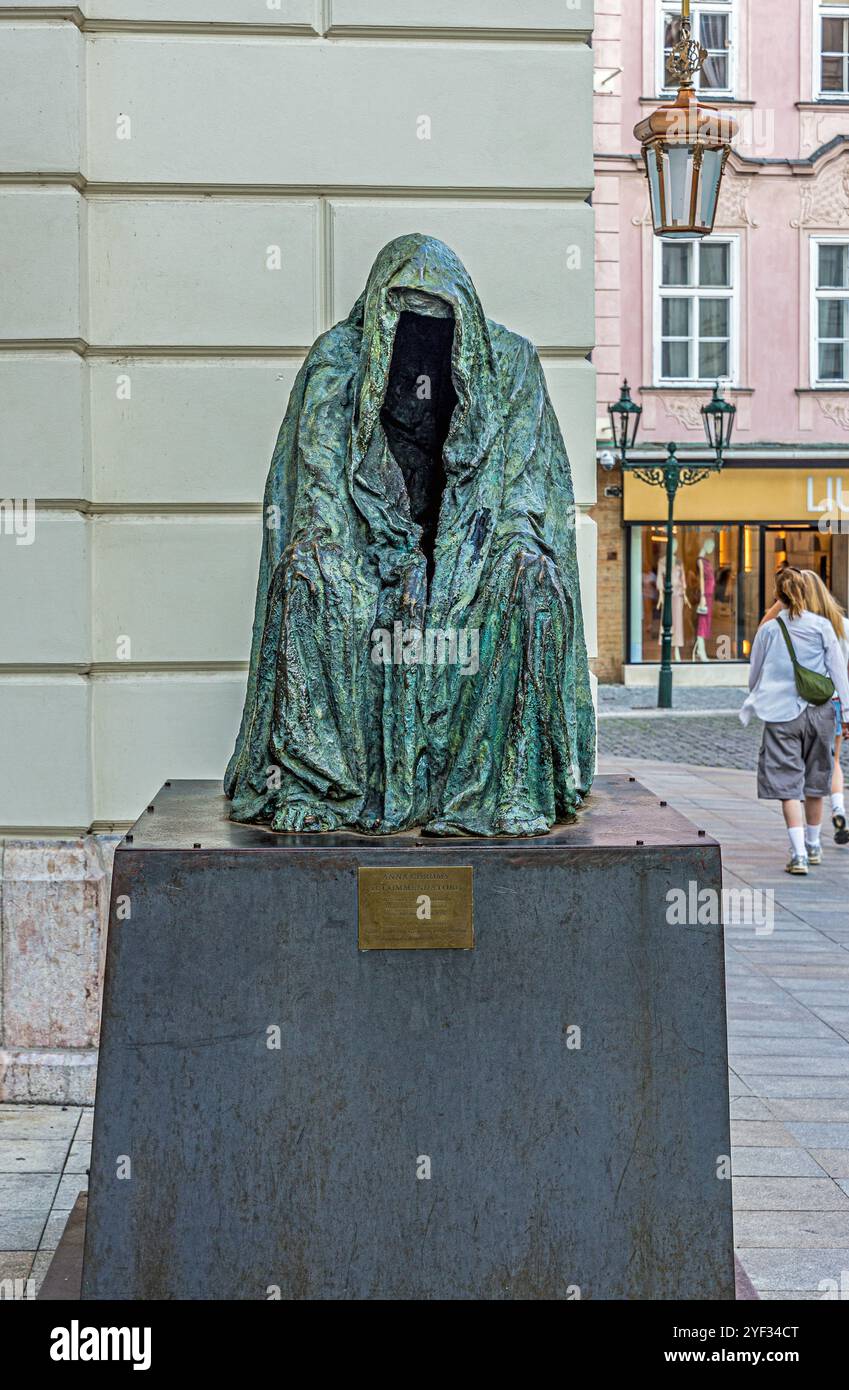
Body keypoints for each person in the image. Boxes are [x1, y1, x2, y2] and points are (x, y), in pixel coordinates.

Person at [742, 566, 849, 874]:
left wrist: (760, 695)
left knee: (788, 784)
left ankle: (798, 853)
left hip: (780, 716)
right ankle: (815, 846)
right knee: (816, 780)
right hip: (820, 712)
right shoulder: (822, 626)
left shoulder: (769, 629)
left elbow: (754, 674)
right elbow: (838, 672)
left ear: (779, 595)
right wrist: (846, 714)